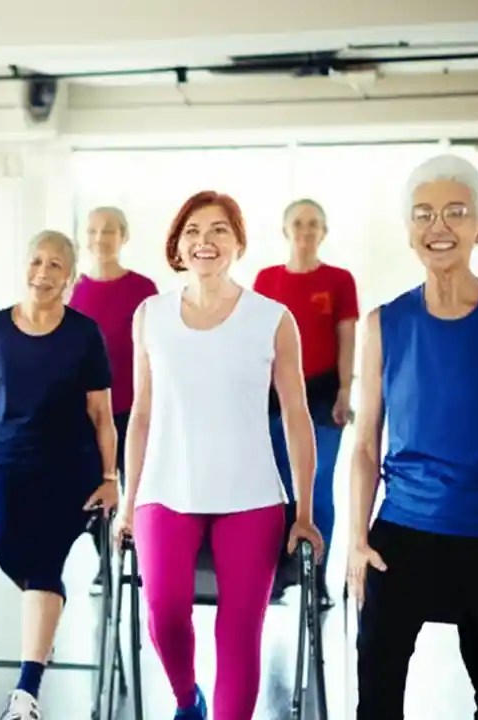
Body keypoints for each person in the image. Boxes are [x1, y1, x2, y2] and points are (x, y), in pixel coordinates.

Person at [346, 154, 478, 720]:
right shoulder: (384, 322)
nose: (439, 226)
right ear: (409, 230)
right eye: (424, 214)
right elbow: (364, 445)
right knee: (376, 697)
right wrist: (357, 540)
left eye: (456, 212)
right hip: (405, 533)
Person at [119, 191, 323, 720]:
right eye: (193, 231)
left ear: (238, 243)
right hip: (165, 490)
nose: (204, 241)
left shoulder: (272, 318)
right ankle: (188, 699)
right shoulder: (150, 315)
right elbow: (140, 413)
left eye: (218, 230)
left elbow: (298, 418)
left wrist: (303, 513)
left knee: (238, 632)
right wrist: (127, 501)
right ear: (177, 245)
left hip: (250, 497)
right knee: (163, 613)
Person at [0, 230, 120, 720]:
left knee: (44, 567)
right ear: (25, 265)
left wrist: (110, 477)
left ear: (70, 276)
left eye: (56, 266)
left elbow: (102, 415)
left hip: (70, 471)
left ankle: (26, 692)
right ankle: (45, 626)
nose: (43, 274)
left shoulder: (84, 333)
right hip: (4, 466)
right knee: (6, 547)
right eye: (37, 262)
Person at [254, 199, 359, 606]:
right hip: (273, 394)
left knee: (317, 486)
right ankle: (281, 572)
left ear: (324, 231)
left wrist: (345, 391)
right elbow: (254, 338)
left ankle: (316, 576)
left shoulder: (339, 280)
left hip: (322, 393)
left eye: (314, 223)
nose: (305, 230)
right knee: (279, 486)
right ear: (285, 230)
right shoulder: (267, 279)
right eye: (298, 223)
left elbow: (347, 336)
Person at [68, 205, 158, 595]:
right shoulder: (72, 289)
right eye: (93, 231)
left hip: (133, 407)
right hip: (86, 412)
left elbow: (157, 350)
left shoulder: (144, 290)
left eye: (109, 231)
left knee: (135, 485)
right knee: (94, 487)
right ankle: (107, 561)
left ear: (124, 237)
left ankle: (137, 555)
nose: (101, 239)